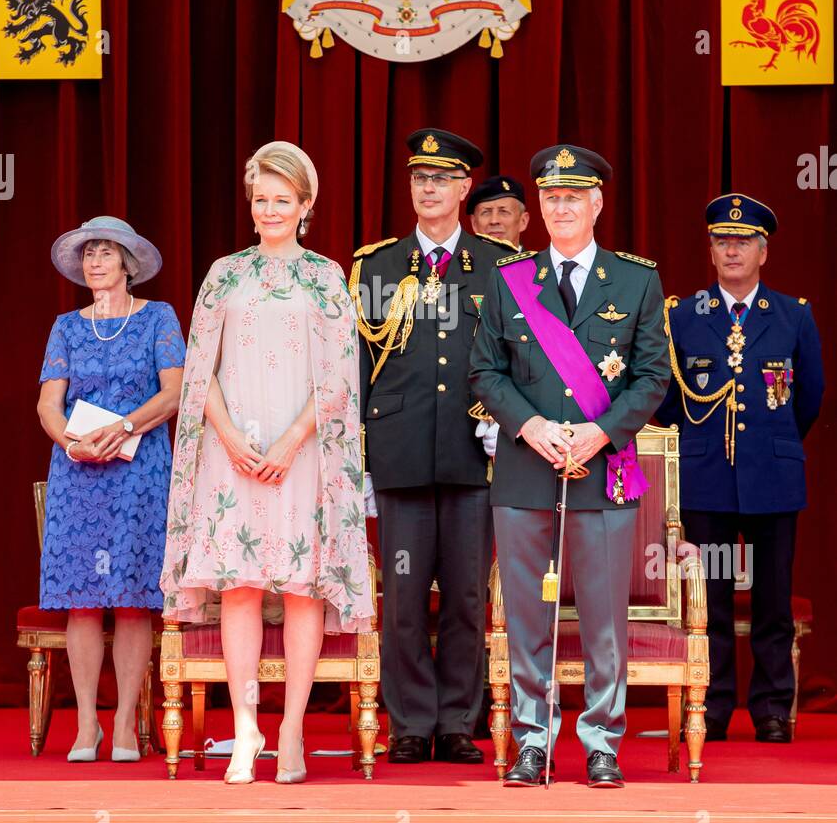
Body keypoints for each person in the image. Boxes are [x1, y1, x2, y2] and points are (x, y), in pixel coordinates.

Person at [160, 142, 373, 785]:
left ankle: (293, 730)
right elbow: (201, 368)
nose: (272, 209)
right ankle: (248, 728)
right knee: (241, 586)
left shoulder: (327, 275)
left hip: (305, 453)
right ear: (250, 206)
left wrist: (288, 443)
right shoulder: (224, 273)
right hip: (232, 457)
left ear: (306, 205)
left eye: (285, 199)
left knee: (304, 588)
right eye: (262, 199)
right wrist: (228, 437)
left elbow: (340, 373)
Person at [470, 145, 670, 787]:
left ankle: (603, 740)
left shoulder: (636, 280)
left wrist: (601, 432)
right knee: (528, 614)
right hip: (527, 470)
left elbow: (652, 377)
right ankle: (533, 737)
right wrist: (529, 426)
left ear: (597, 204)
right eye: (551, 197)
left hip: (603, 470)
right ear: (540, 207)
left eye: (573, 197)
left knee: (606, 617)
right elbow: (485, 371)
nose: (561, 207)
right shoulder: (509, 281)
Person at [349, 129, 514, 764]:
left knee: (469, 596)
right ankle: (412, 721)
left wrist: (504, 420)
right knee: (406, 595)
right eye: (420, 178)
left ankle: (457, 722)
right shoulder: (378, 264)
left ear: (464, 189)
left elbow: (513, 356)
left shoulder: (499, 264)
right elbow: (359, 364)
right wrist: (362, 456)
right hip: (400, 450)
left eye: (442, 179)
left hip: (476, 453)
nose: (429, 188)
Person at [656, 193, 824, 743]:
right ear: (710, 251)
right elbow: (665, 402)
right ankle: (715, 707)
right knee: (713, 601)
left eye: (743, 241)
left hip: (772, 476)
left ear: (763, 251)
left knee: (773, 601)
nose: (732, 250)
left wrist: (771, 447)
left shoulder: (793, 315)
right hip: (705, 478)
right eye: (722, 241)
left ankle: (773, 709)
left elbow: (809, 398)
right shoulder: (683, 316)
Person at [37, 216, 186, 761]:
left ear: (128, 263)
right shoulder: (66, 326)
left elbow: (174, 393)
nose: (95, 261)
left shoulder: (158, 319)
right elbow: (49, 403)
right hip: (79, 473)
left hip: (138, 471)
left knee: (130, 600)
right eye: (88, 254)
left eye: (106, 252)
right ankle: (85, 725)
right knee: (81, 602)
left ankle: (124, 724)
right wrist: (71, 442)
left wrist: (124, 427)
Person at [467, 174, 530, 251]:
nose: (494, 221)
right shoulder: (456, 263)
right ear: (474, 223)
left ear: (523, 221)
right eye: (486, 212)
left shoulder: (537, 263)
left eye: (504, 212)